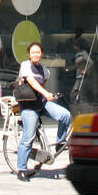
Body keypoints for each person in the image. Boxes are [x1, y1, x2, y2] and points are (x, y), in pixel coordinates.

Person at [14, 42, 72, 182]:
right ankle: (21, 169)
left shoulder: (45, 69)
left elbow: (43, 82)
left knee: (65, 115)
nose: (35, 54)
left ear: (41, 54)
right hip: (28, 106)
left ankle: (60, 142)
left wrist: (45, 96)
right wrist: (46, 93)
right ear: (29, 54)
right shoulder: (25, 65)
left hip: (41, 103)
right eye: (33, 52)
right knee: (28, 138)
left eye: (38, 52)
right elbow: (32, 81)